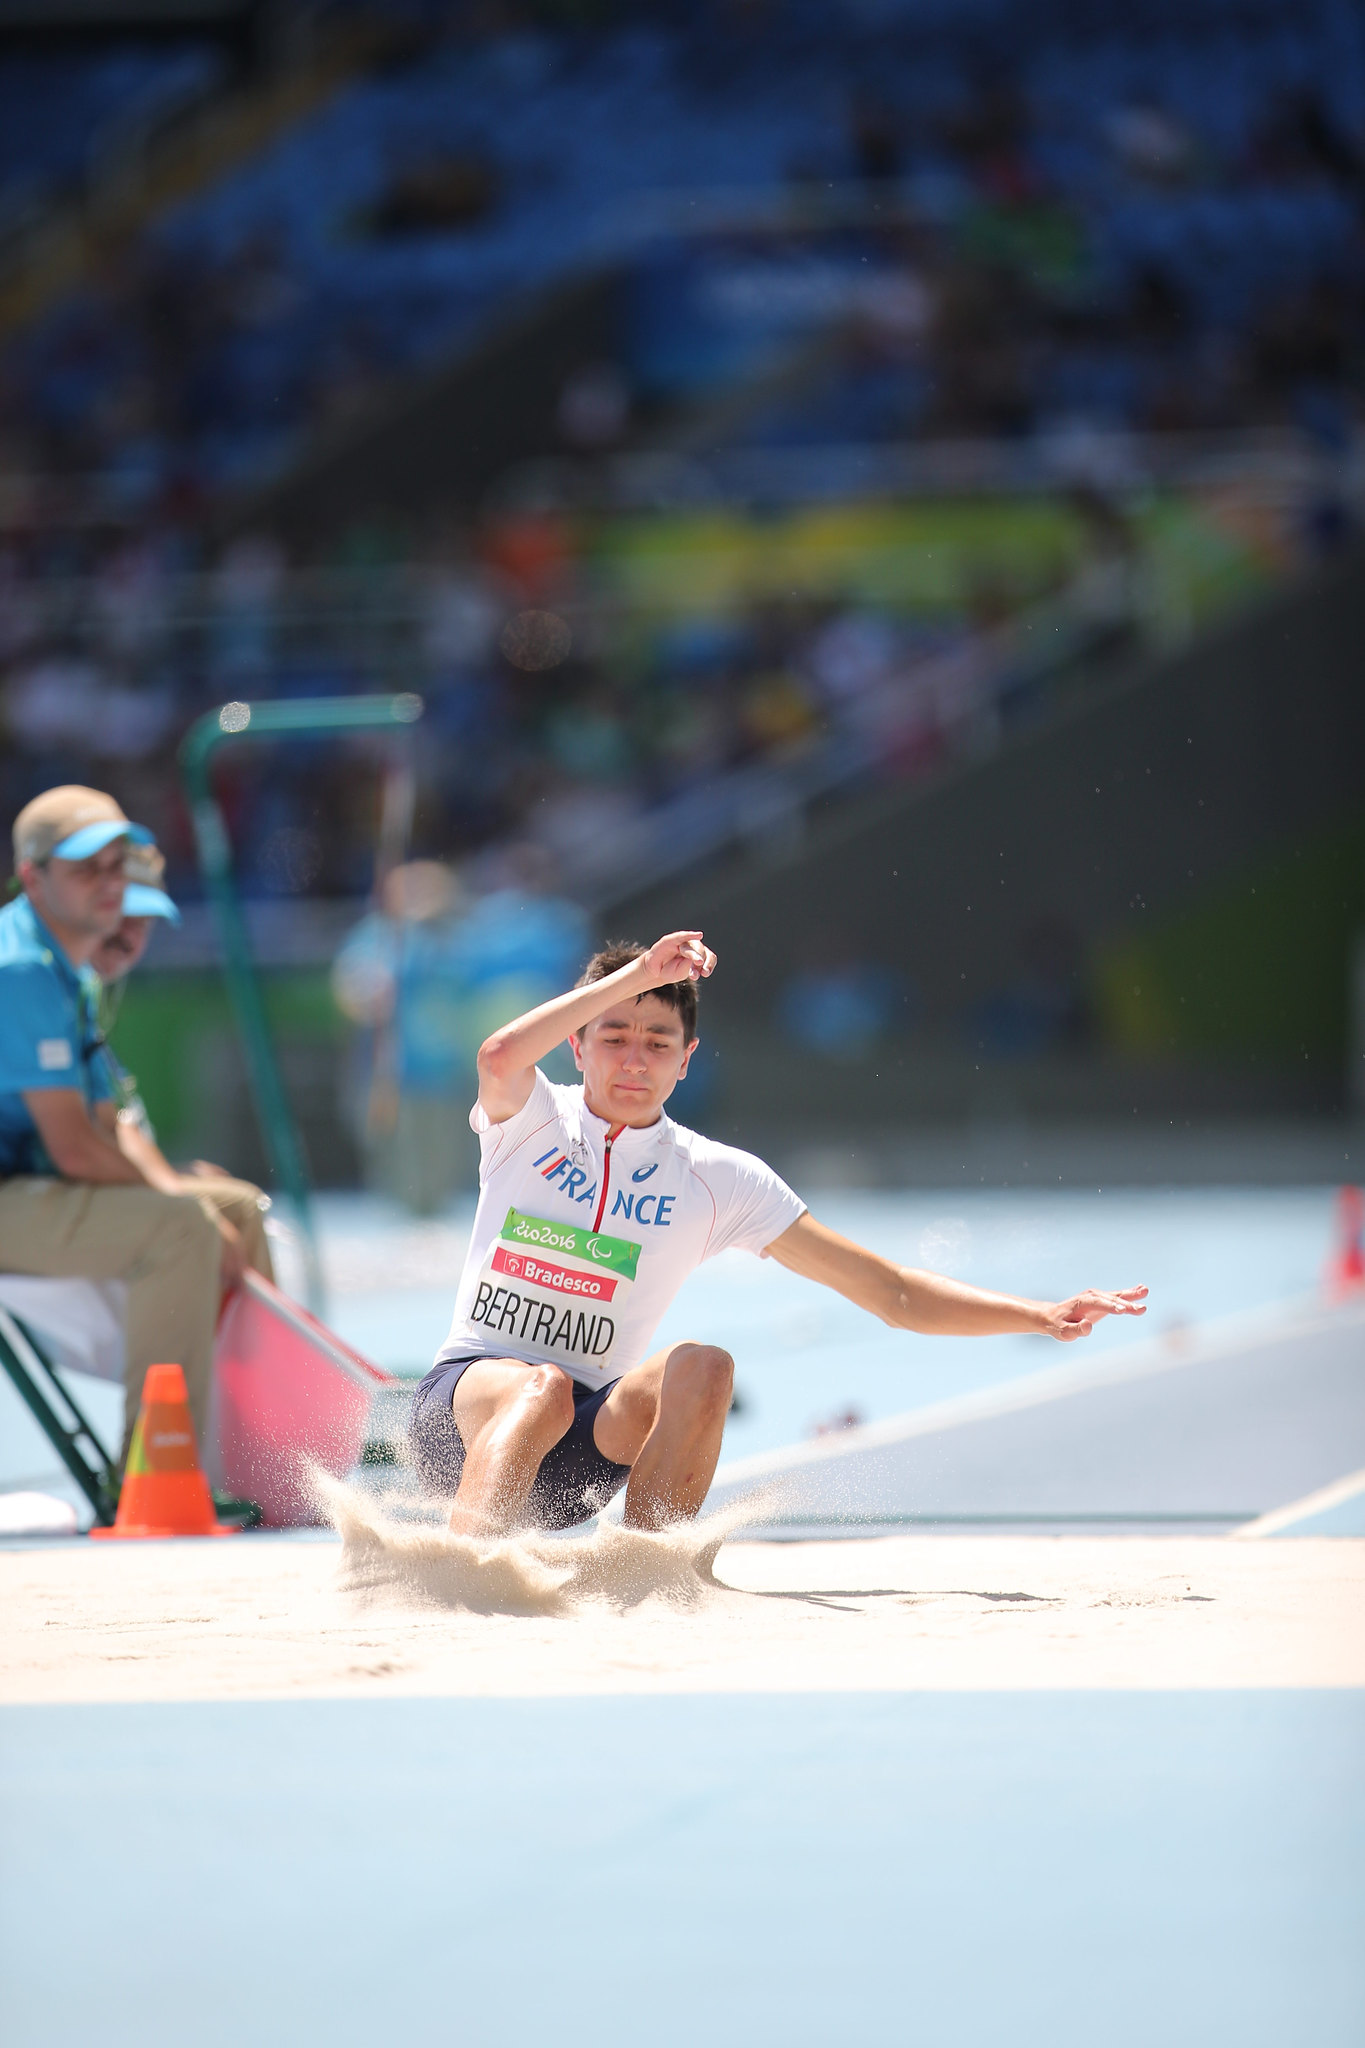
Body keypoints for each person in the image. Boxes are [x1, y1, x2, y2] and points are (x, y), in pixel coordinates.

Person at [409, 930, 1148, 1536]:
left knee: (704, 1367)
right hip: (462, 1418)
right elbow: (498, 1055)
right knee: (543, 1387)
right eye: (614, 1037)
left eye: (658, 1043)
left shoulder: (716, 1178)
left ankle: (638, 1573)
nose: (634, 1059)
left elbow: (886, 1290)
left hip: (580, 1457)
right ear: (577, 1044)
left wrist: (1039, 1314)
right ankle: (459, 1571)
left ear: (686, 1060)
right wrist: (639, 973)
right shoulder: (532, 1120)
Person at [0, 787, 240, 1463]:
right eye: (86, 869)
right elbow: (78, 1151)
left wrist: (190, 1198)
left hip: (25, 1189)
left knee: (236, 1210)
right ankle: (159, 1468)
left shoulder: (64, 968)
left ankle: (253, 1450)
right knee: (183, 1227)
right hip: (15, 1194)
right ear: (31, 877)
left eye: (117, 865)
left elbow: (110, 1127)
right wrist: (178, 1203)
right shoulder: (19, 971)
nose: (112, 886)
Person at [89, 841, 275, 1290]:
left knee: (238, 1205)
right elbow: (100, 1128)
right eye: (122, 916)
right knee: (234, 1211)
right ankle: (237, 1360)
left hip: (84, 1190)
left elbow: (110, 1123)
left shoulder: (94, 990)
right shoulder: (64, 986)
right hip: (52, 1204)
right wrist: (173, 1193)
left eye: (144, 922)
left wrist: (172, 1178)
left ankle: (240, 1358)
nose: (131, 934)